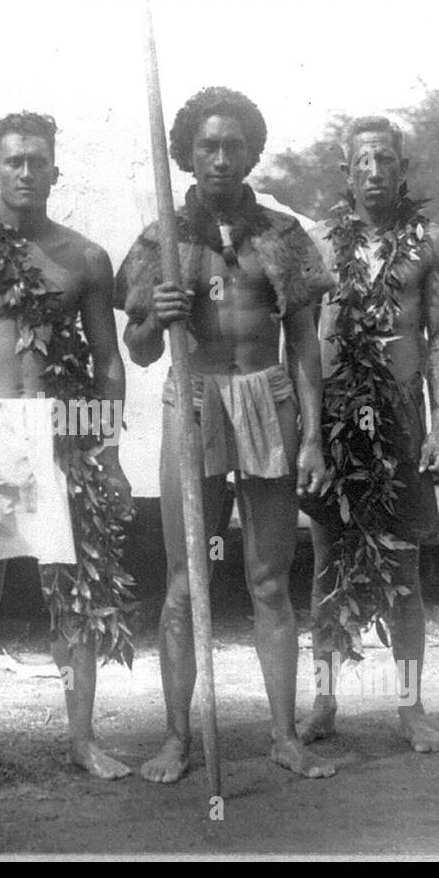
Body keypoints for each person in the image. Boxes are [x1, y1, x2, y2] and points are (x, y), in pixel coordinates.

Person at [116, 87, 334, 783]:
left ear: (251, 153)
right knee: (185, 583)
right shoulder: (163, 241)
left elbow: (303, 344)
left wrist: (312, 440)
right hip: (195, 398)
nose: (219, 158)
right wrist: (158, 314)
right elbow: (141, 349)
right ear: (185, 153)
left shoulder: (283, 235)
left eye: (232, 146)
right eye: (207, 146)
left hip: (266, 398)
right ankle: (177, 737)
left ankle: (283, 734)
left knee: (269, 580)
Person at [0, 111, 133, 786]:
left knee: (73, 594)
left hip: (61, 430)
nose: (27, 171)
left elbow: (108, 360)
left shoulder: (84, 258)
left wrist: (108, 450)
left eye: (38, 160)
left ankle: (82, 738)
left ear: (55, 171)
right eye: (14, 161)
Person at [299, 116, 439, 753]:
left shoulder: (432, 245)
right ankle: (323, 700)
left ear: (401, 168)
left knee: (405, 567)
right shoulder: (315, 245)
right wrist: (309, 433)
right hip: (336, 419)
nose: (374, 171)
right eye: (362, 160)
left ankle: (411, 708)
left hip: (399, 420)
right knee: (325, 563)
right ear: (346, 171)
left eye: (385, 159)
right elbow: (302, 343)